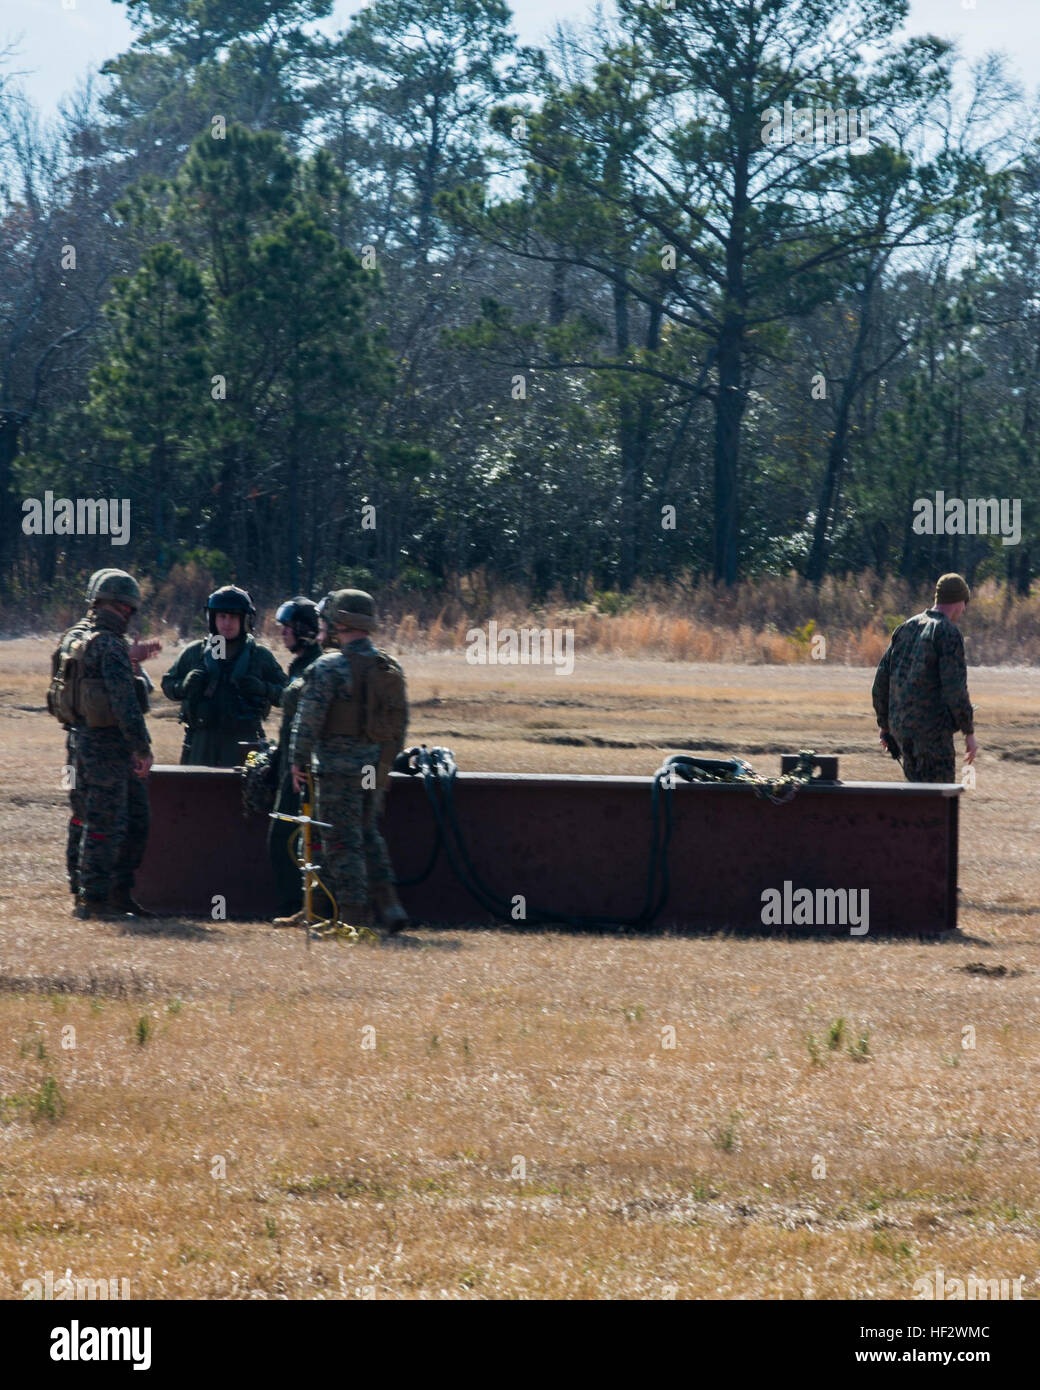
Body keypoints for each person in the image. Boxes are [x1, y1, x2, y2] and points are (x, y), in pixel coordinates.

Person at [280, 589, 409, 934]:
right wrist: (383, 765)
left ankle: (353, 917)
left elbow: (308, 719)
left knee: (339, 842)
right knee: (367, 833)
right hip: (372, 770)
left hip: (338, 771)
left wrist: (297, 760)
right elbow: (399, 723)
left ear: (339, 623)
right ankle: (389, 903)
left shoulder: (329, 667)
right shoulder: (388, 667)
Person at [49, 571, 155, 920]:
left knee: (83, 818)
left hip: (74, 745)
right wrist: (142, 748)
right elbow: (126, 704)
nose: (127, 614)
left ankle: (88, 892)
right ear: (119, 607)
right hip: (107, 749)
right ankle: (98, 900)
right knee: (110, 823)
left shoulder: (72, 639)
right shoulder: (110, 645)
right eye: (125, 608)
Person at [161, 585, 287, 766]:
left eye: (233, 617)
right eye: (222, 616)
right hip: (201, 741)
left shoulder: (259, 656)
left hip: (244, 741)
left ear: (244, 620)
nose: (227, 623)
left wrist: (264, 688)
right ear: (212, 618)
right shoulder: (196, 653)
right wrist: (184, 686)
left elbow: (286, 694)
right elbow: (168, 685)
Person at [871, 573, 979, 784]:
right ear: (959, 601)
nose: (964, 610)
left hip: (902, 731)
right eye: (965, 603)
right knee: (938, 803)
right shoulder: (947, 632)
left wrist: (885, 726)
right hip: (932, 734)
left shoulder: (905, 628)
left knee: (917, 800)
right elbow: (954, 688)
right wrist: (969, 732)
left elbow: (880, 682)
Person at [267, 596, 326, 916]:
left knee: (286, 840)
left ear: (303, 629)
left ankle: (299, 905)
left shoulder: (316, 667)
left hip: (303, 769)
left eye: (287, 626)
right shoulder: (299, 666)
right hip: (290, 764)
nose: (282, 632)